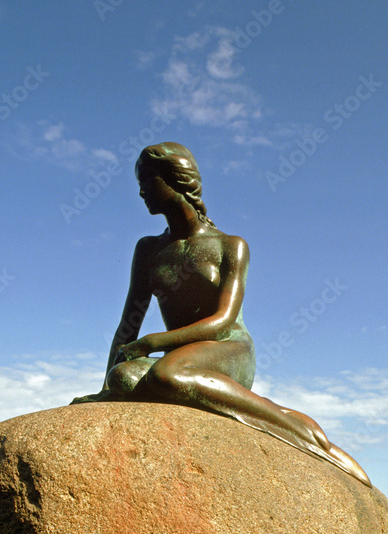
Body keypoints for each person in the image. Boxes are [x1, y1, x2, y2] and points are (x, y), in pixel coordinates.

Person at [71, 142, 371, 487]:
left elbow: (223, 319)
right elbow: (129, 324)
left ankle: (292, 426)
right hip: (182, 358)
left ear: (176, 180)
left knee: (167, 374)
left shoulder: (230, 245)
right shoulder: (148, 250)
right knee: (124, 378)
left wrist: (156, 341)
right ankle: (259, 406)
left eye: (147, 180)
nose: (140, 190)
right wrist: (105, 387)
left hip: (227, 346)